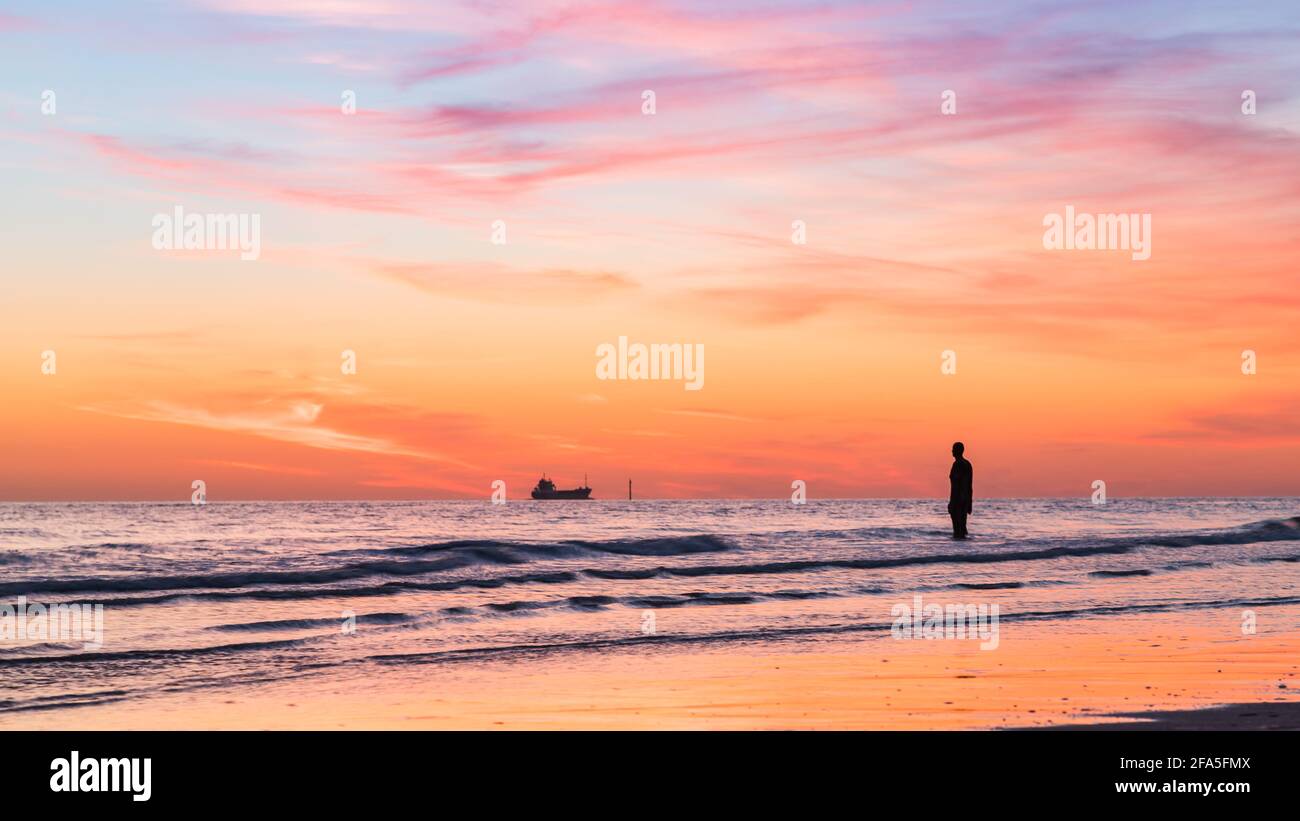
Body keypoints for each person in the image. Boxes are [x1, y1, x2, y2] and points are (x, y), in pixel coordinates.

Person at [948, 442, 973, 539]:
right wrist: (969, 502)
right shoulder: (968, 464)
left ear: (958, 451)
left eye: (953, 449)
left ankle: (959, 550)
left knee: (957, 529)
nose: (952, 451)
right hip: (965, 499)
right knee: (962, 527)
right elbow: (970, 485)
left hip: (958, 500)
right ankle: (963, 550)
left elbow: (956, 485)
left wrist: (952, 502)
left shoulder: (957, 464)